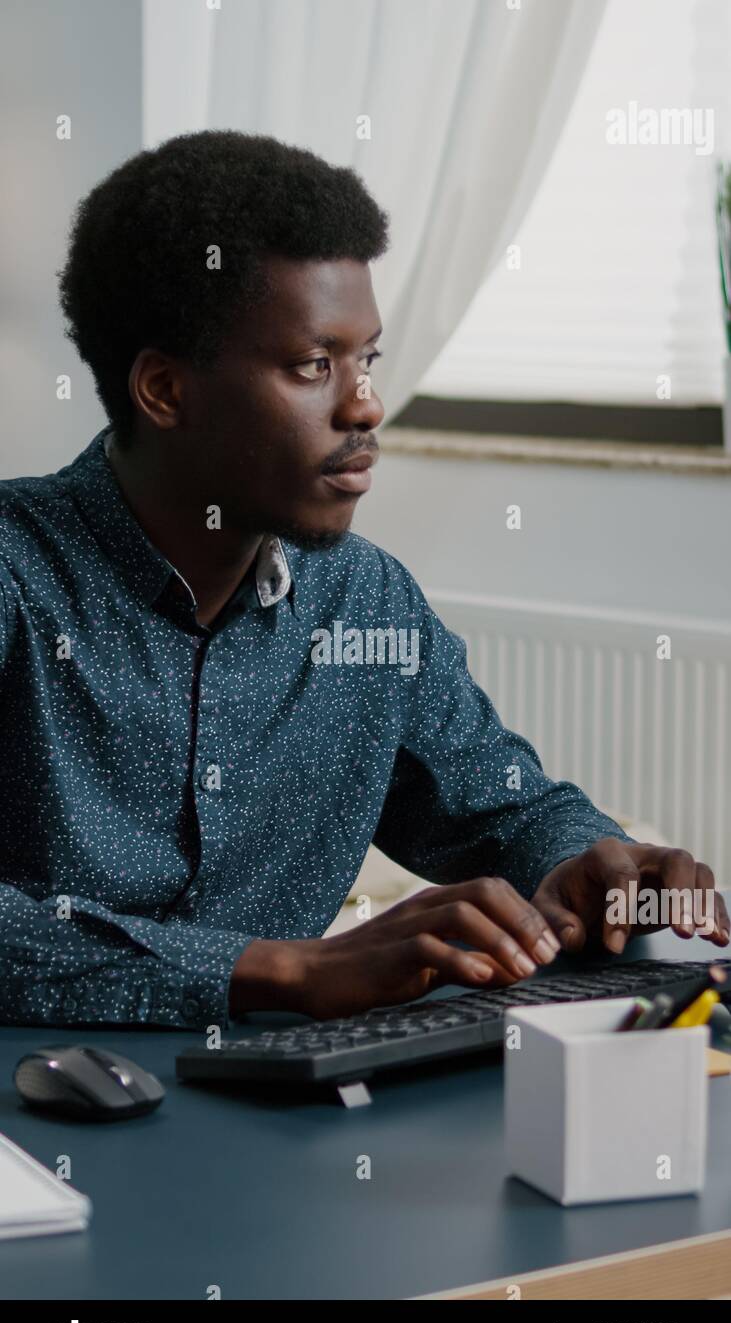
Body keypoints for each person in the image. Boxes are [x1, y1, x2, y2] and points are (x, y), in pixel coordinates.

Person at [0, 131, 727, 1031]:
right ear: (164, 391)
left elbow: (497, 801)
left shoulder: (366, 601)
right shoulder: (15, 576)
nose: (365, 405)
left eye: (367, 360)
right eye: (314, 365)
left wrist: (591, 860)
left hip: (289, 1114)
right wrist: (277, 970)